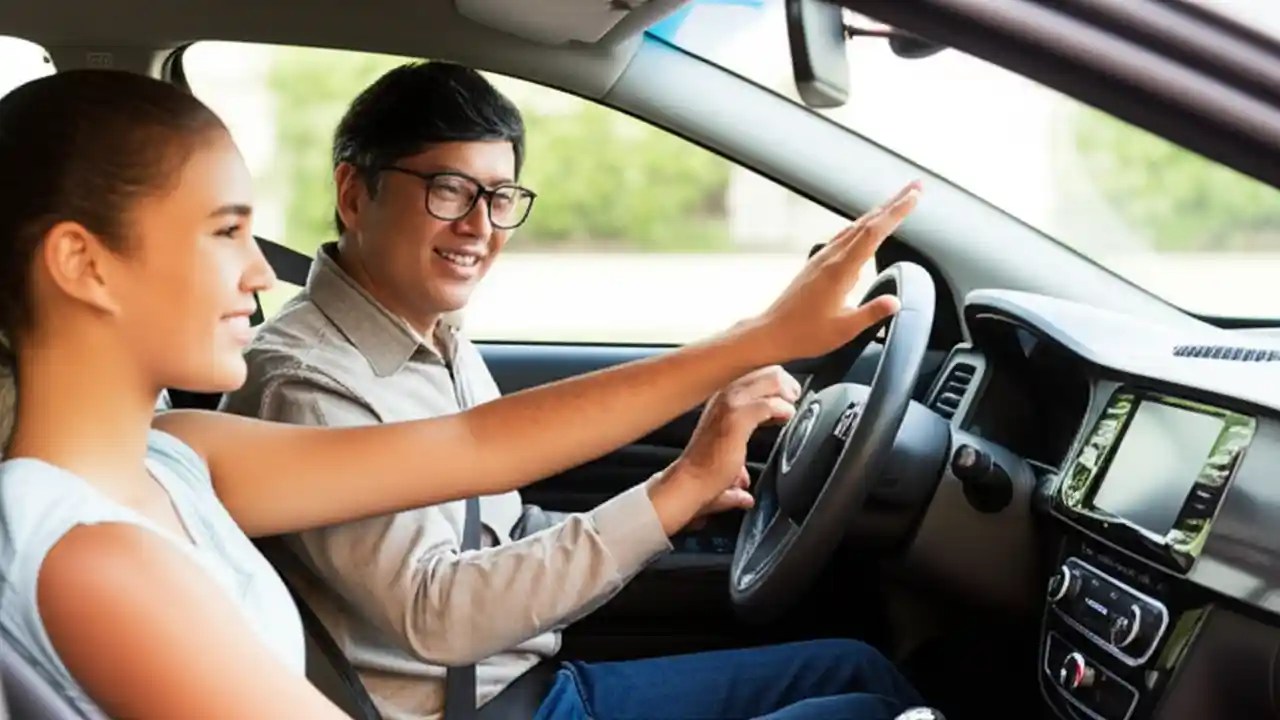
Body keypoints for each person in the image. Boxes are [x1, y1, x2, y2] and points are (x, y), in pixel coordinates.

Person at [0, 68, 920, 720]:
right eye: (225, 231)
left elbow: (476, 448)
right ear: (85, 263)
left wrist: (759, 342)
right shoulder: (95, 561)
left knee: (866, 682)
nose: (257, 271)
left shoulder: (180, 453)